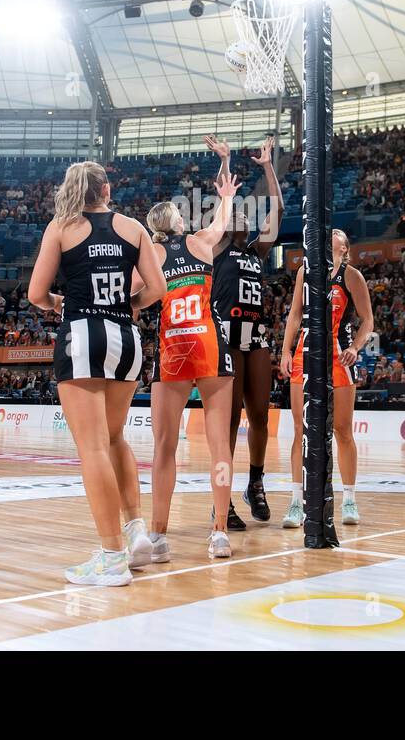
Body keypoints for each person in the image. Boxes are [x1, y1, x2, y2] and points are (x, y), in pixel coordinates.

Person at [28, 161, 166, 587]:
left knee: (92, 449)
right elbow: (157, 289)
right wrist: (129, 308)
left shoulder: (61, 227)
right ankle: (135, 530)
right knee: (113, 437)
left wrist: (58, 304)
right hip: (126, 337)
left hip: (84, 334)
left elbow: (36, 293)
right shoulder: (133, 228)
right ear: (106, 189)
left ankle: (111, 558)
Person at [136, 169, 239, 561]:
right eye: (179, 214)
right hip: (211, 347)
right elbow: (221, 224)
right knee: (219, 448)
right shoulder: (199, 244)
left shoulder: (153, 256)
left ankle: (158, 536)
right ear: (175, 222)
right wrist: (227, 196)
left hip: (173, 350)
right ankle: (219, 534)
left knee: (164, 448)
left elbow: (127, 293)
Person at [205, 134, 283, 530]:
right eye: (232, 213)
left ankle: (256, 482)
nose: (240, 216)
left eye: (242, 213)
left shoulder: (257, 251)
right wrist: (225, 160)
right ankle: (222, 501)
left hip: (256, 334)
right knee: (230, 420)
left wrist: (268, 166)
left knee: (260, 417)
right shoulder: (217, 248)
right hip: (225, 333)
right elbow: (222, 200)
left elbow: (280, 209)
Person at [280, 229, 375, 529]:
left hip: (337, 353)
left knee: (342, 431)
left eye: (337, 234)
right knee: (300, 429)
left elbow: (368, 319)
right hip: (304, 354)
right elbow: (295, 314)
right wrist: (285, 350)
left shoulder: (351, 276)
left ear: (345, 248)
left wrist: (355, 347)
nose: (331, 233)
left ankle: (349, 498)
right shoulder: (305, 272)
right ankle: (297, 502)